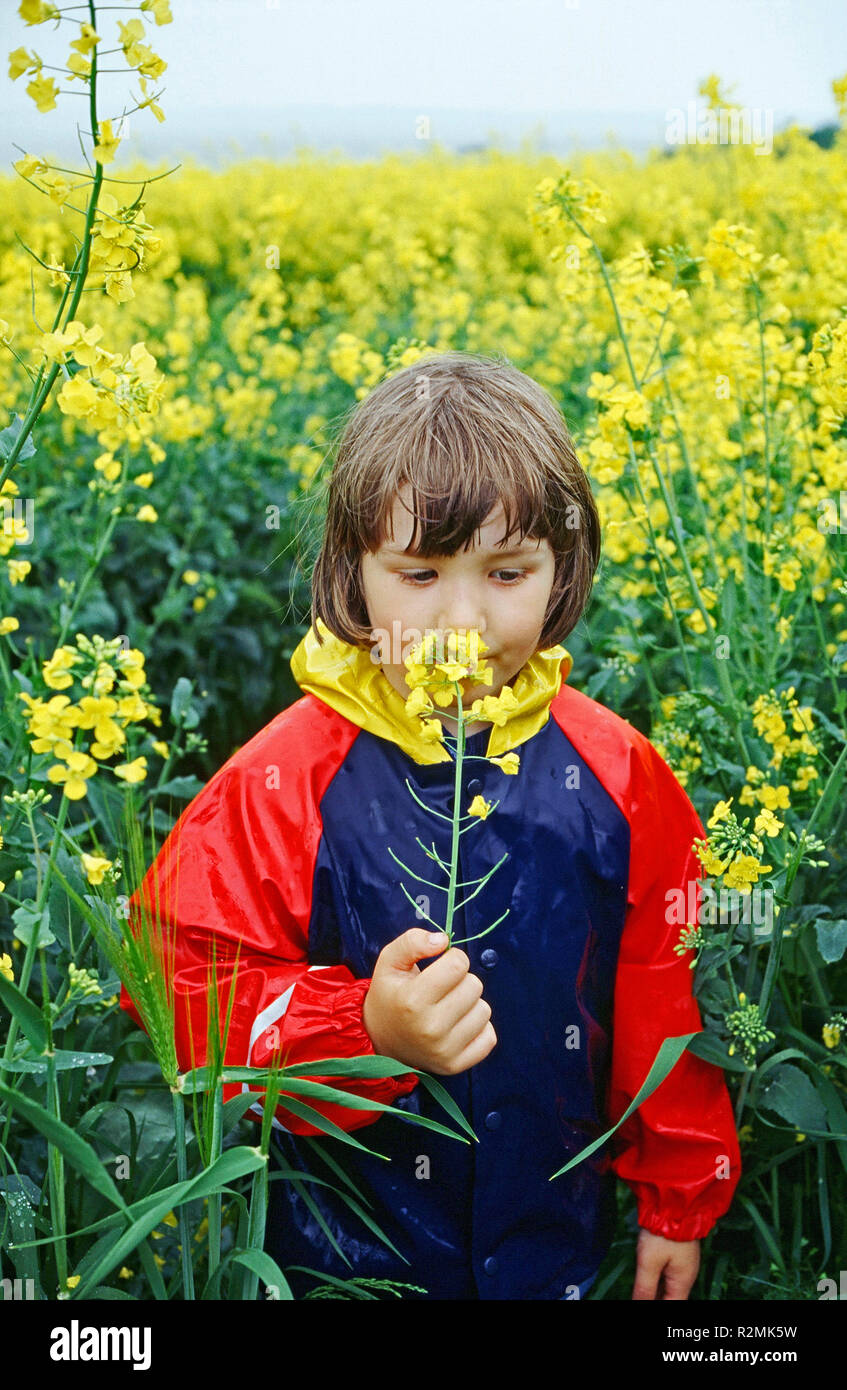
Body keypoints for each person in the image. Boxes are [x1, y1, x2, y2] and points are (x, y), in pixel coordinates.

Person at [121, 350, 741, 1301]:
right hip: (343, 1256)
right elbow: (180, 990)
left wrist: (675, 1196)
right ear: (351, 573)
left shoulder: (617, 771)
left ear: (561, 569)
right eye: (418, 573)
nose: (462, 621)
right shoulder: (287, 773)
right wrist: (360, 1028)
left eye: (506, 572)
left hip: (551, 1241)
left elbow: (665, 987)